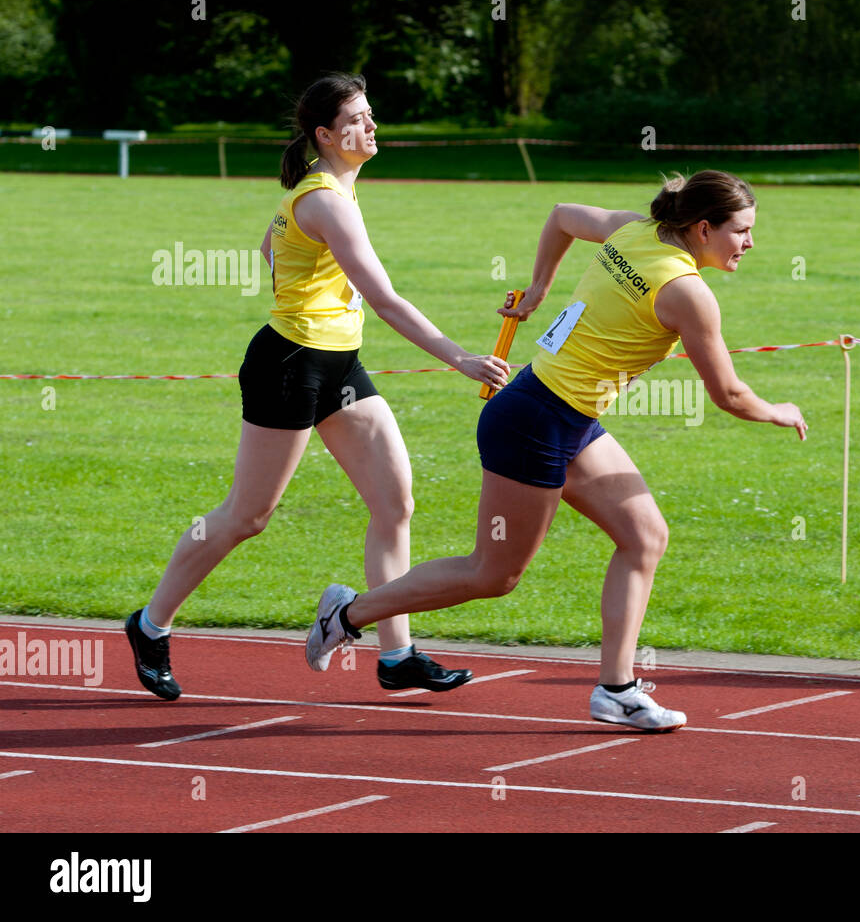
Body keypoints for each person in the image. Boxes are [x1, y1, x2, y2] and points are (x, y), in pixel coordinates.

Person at [304, 169, 808, 732]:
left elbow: (563, 215)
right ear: (703, 227)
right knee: (493, 574)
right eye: (741, 231)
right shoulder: (688, 293)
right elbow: (729, 395)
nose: (750, 244)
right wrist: (778, 410)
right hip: (534, 421)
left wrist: (540, 286)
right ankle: (347, 614)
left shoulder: (634, 230)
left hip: (564, 416)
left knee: (645, 537)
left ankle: (616, 690)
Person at [126, 73, 510, 700]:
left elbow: (268, 249)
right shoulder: (326, 198)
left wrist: (313, 297)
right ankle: (149, 625)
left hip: (338, 364)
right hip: (291, 364)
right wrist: (460, 358)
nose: (371, 125)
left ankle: (397, 655)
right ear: (325, 135)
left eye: (370, 114)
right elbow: (385, 298)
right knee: (247, 515)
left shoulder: (330, 193)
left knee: (394, 503)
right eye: (357, 119)